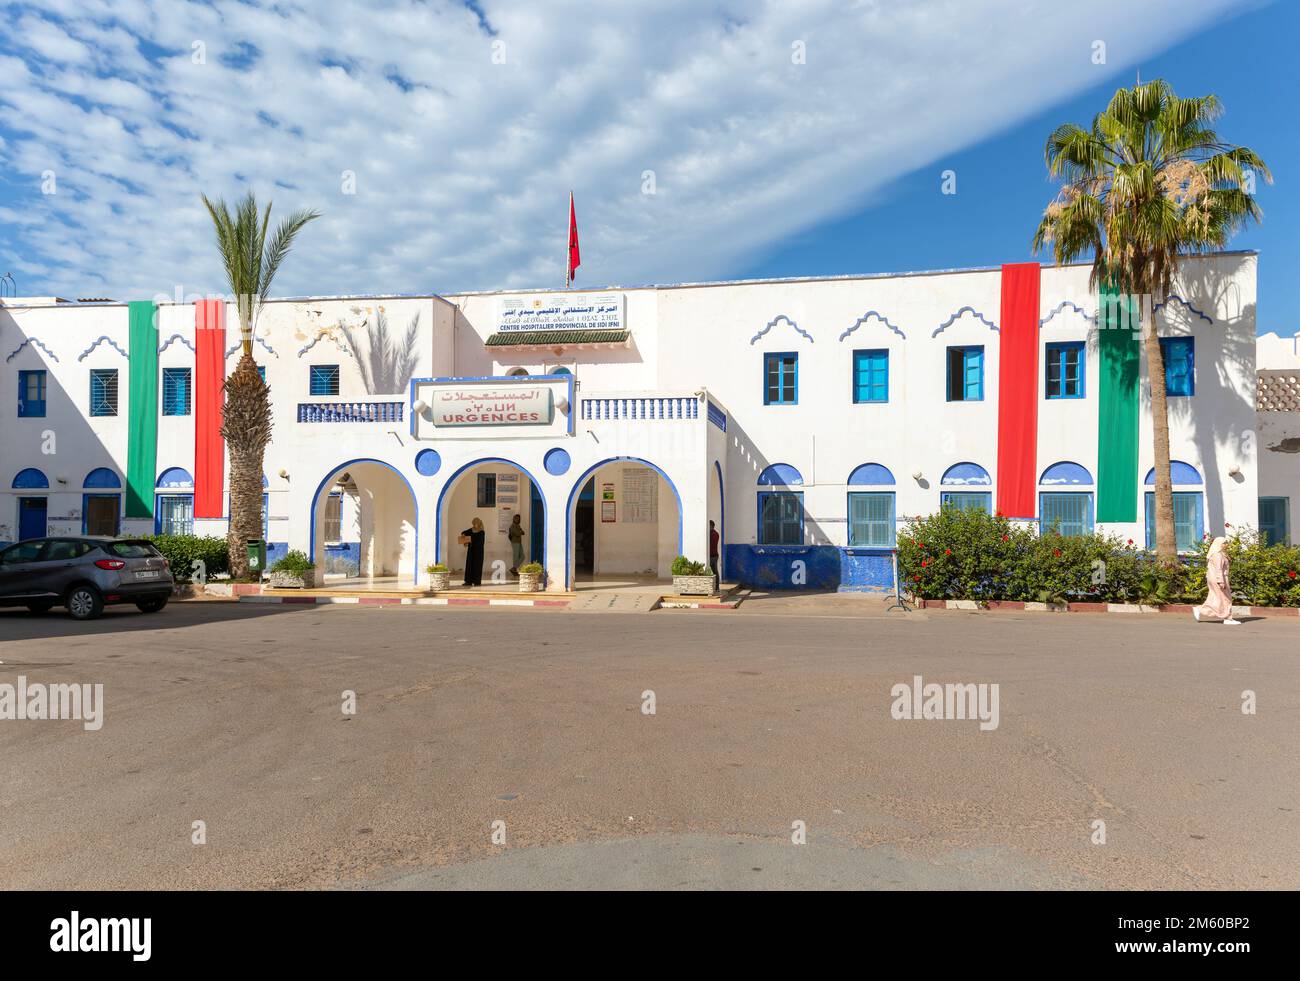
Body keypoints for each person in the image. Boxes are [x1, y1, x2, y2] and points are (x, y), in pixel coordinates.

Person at [1194, 536, 1240, 625]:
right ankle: (1227, 618)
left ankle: (1201, 609)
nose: (1226, 545)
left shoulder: (1218, 554)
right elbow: (1218, 569)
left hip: (1216, 578)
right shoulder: (1217, 555)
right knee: (1226, 598)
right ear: (1219, 544)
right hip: (1219, 578)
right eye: (1224, 543)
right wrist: (1221, 581)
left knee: (1215, 598)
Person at [460, 517, 485, 587]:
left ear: (479, 523)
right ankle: (468, 581)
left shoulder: (481, 532)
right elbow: (464, 532)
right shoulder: (471, 530)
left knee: (477, 566)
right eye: (473, 523)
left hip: (478, 552)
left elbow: (480, 542)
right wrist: (463, 535)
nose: (474, 525)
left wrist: (470, 539)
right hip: (471, 551)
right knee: (469, 566)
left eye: (476, 523)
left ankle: (477, 582)